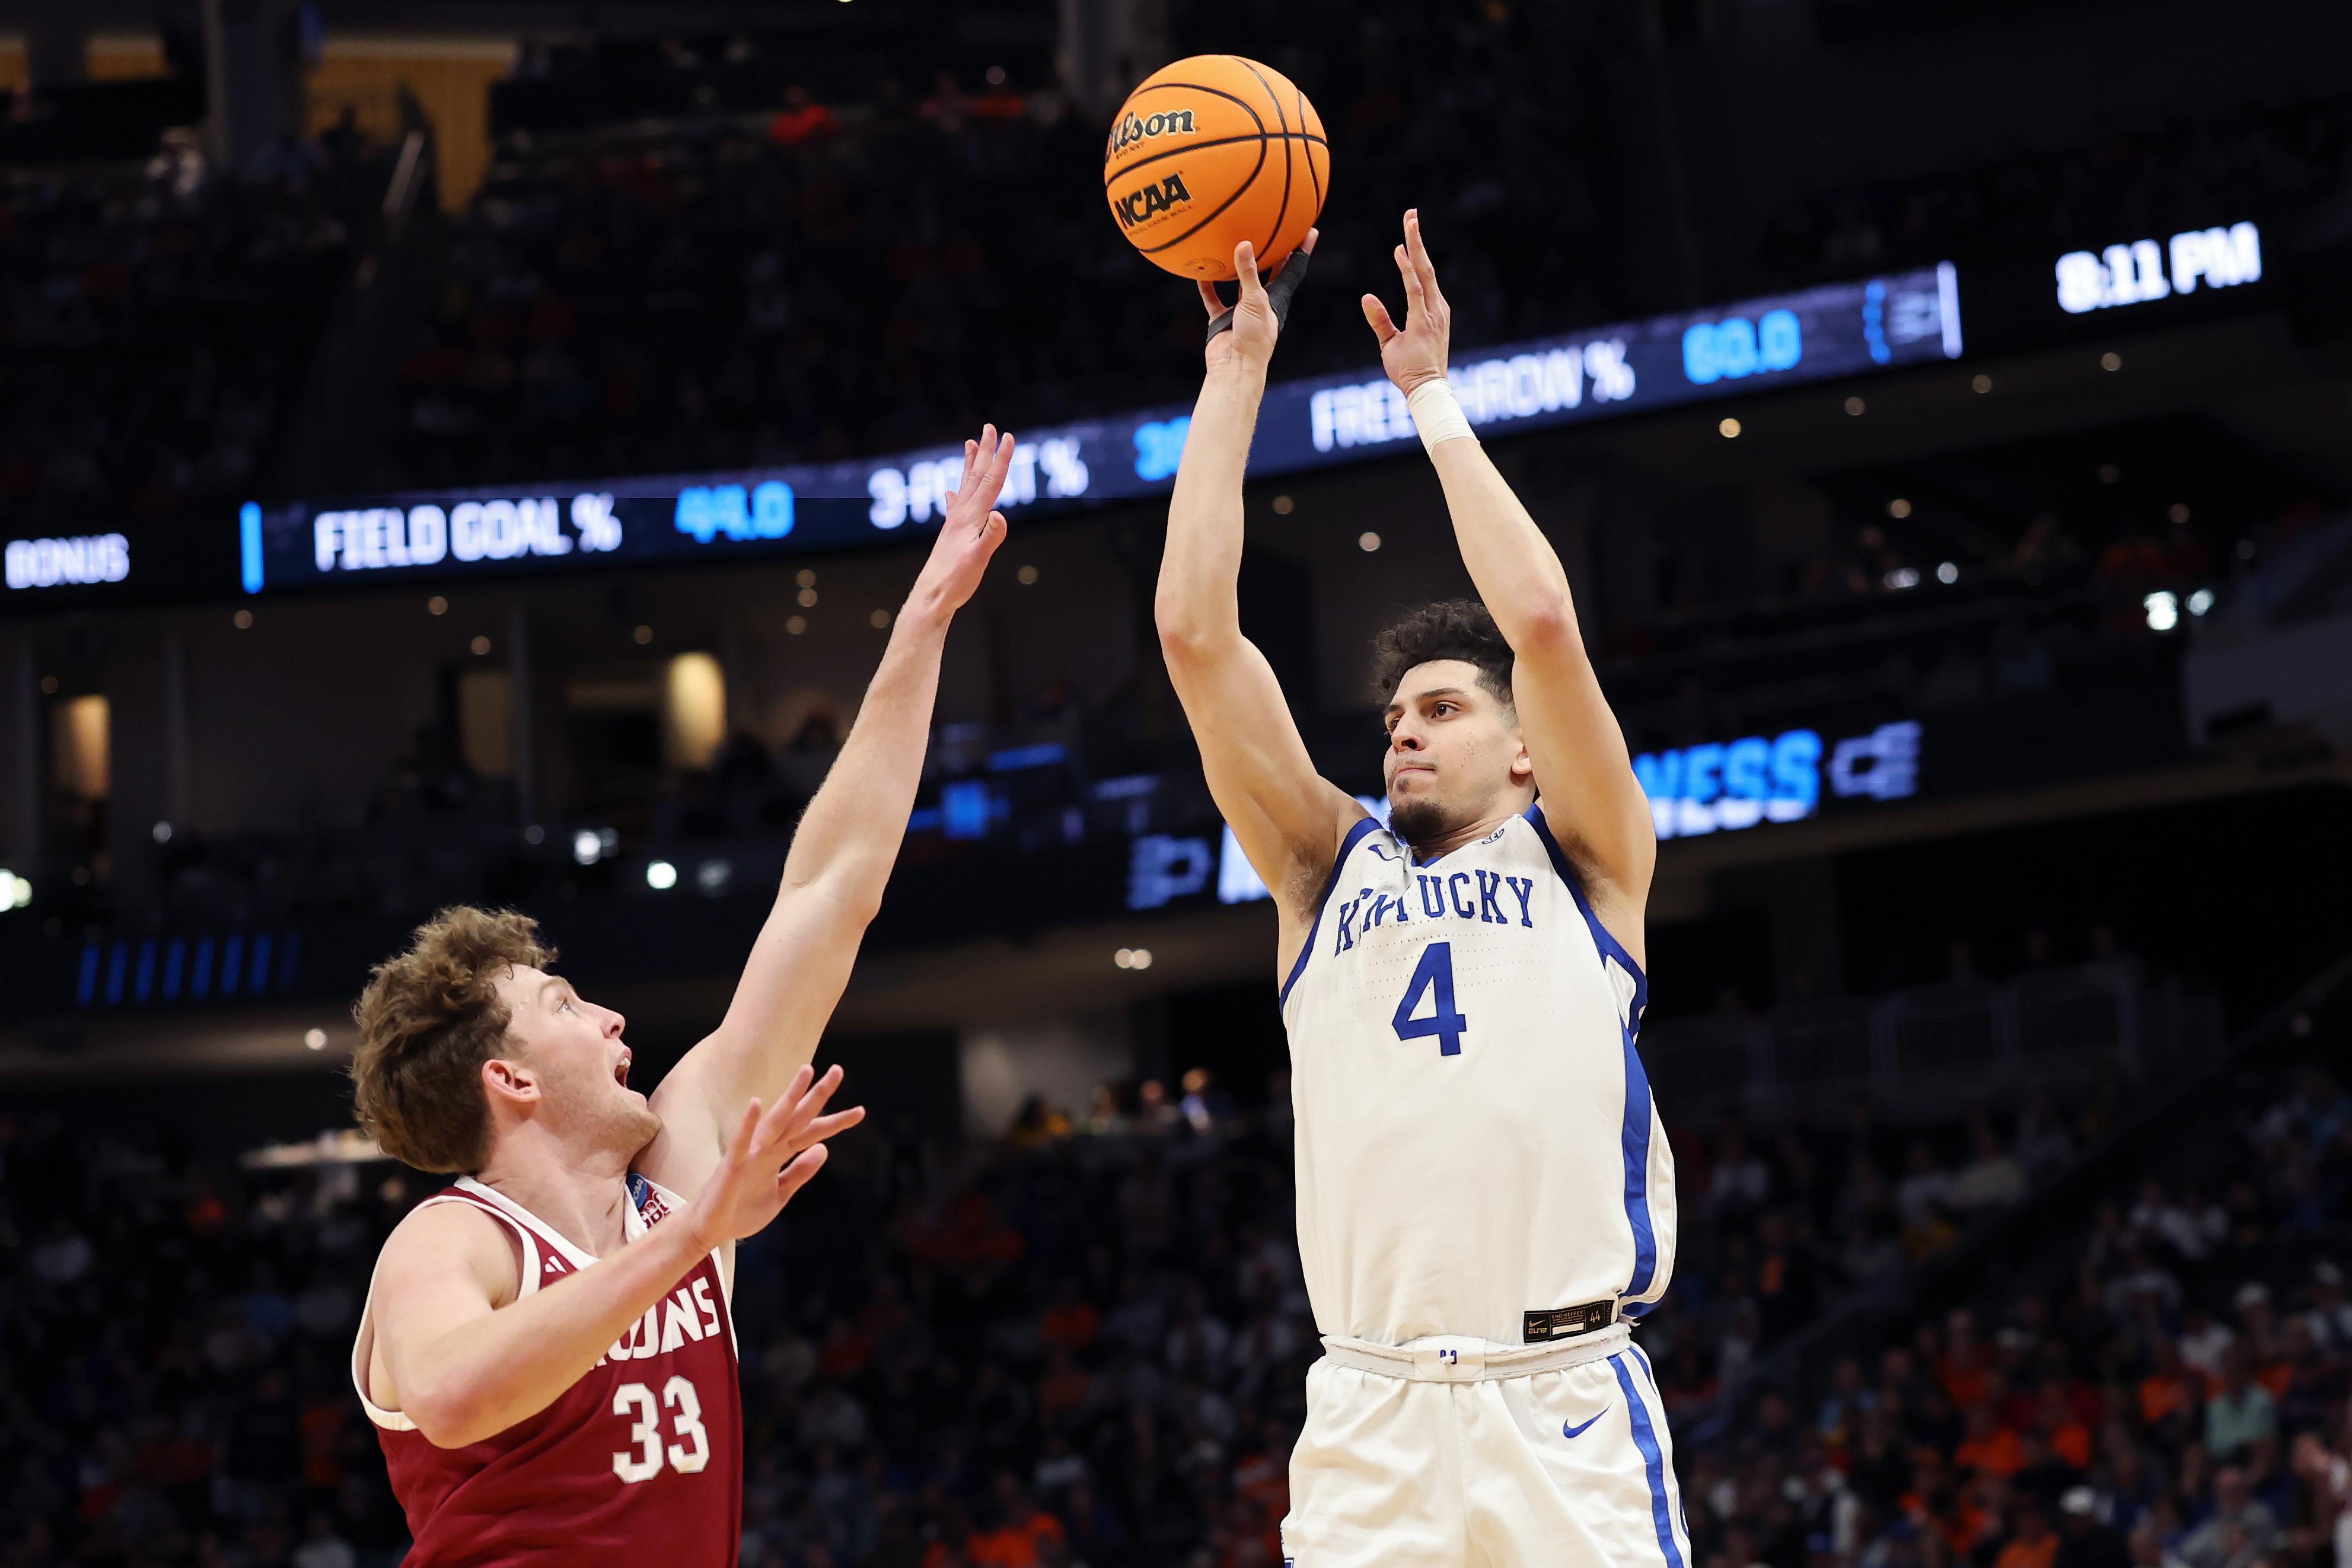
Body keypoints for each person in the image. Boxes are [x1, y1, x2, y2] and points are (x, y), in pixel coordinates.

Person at [345, 427, 1021, 1566]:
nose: (613, 1021)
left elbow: (828, 888)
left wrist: (923, 624)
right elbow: (454, 1396)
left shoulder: (675, 1182)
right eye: (564, 1007)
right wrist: (701, 1233)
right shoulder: (454, 1240)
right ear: (505, 1077)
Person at [1153, 211, 1679, 1567]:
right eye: (1393, 711)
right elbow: (1194, 635)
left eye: (1440, 705)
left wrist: (1432, 398)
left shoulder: (1590, 858)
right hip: (1374, 1406)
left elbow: (1546, 625)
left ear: (1521, 746)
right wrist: (1237, 367)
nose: (1402, 727)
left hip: (1563, 1399)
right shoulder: (1324, 866)